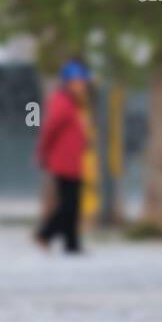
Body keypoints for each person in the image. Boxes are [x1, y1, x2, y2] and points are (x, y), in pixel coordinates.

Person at [35, 58, 91, 253]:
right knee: (68, 205)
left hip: (73, 161)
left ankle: (71, 243)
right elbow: (49, 130)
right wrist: (42, 152)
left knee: (73, 205)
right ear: (68, 83)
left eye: (83, 82)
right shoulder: (62, 102)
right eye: (78, 82)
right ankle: (45, 233)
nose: (81, 86)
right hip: (63, 162)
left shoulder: (73, 102)